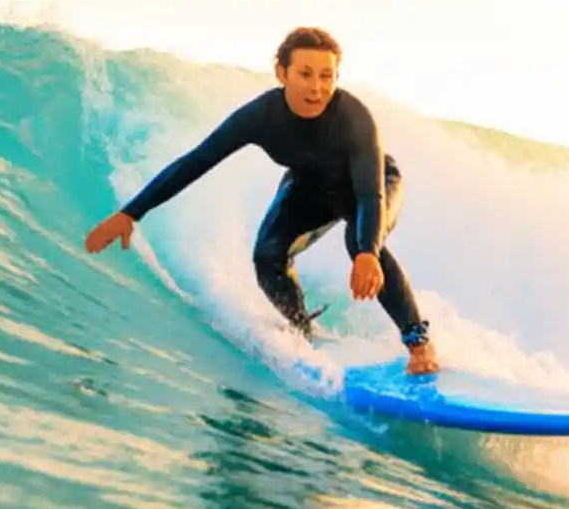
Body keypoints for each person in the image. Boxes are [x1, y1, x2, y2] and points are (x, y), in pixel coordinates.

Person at [85, 26, 439, 375]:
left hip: (376, 184)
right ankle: (302, 330)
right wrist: (131, 213)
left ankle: (418, 342)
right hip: (309, 186)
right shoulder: (260, 117)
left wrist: (368, 253)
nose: (317, 87)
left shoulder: (354, 117)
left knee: (360, 241)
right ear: (281, 73)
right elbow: (196, 161)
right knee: (268, 256)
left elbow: (369, 193)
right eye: (305, 74)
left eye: (326, 76)